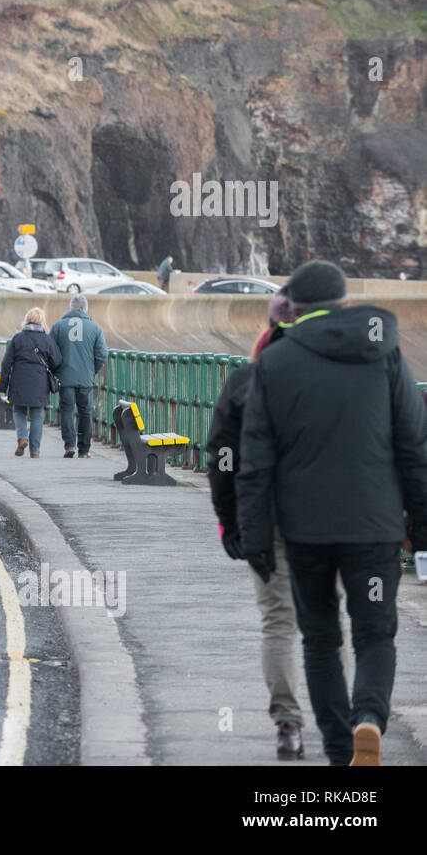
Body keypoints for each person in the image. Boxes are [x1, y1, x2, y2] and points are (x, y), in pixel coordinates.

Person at [236, 260, 427, 766]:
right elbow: (414, 445)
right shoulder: (384, 353)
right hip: (374, 530)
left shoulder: (275, 364)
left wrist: (255, 537)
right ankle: (369, 719)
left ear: (295, 309)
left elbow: (255, 462)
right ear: (344, 302)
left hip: (306, 533)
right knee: (373, 633)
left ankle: (342, 753)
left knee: (320, 639)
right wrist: (423, 528)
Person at [208, 288, 308, 759]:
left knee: (278, 623)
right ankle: (350, 720)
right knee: (329, 625)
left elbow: (223, 458)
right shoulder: (345, 378)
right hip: (338, 523)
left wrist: (229, 524)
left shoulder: (245, 381)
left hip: (267, 521)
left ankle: (289, 725)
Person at [48, 294, 107, 458]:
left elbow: (50, 352)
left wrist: (56, 370)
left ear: (70, 308)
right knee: (85, 412)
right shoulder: (95, 328)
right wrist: (91, 370)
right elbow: (102, 354)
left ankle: (69, 445)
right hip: (85, 379)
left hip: (65, 377)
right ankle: (84, 449)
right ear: (85, 308)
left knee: (67, 410)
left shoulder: (58, 326)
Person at [0, 307, 62, 457]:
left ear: (27, 320)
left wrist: (3, 386)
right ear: (42, 321)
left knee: (19, 411)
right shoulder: (47, 339)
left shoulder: (18, 338)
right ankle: (35, 451)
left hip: (19, 380)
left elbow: (6, 363)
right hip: (39, 382)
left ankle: (22, 437)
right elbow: (57, 361)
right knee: (37, 416)